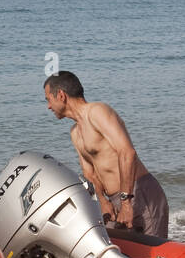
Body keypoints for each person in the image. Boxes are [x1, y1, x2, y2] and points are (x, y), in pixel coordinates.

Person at [44, 71, 170, 237]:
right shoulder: (75, 132)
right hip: (114, 201)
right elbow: (89, 173)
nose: (49, 106)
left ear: (61, 95)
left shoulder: (97, 111)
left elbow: (127, 152)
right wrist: (102, 201)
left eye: (48, 99)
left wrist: (126, 203)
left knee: (154, 257)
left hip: (138, 193)